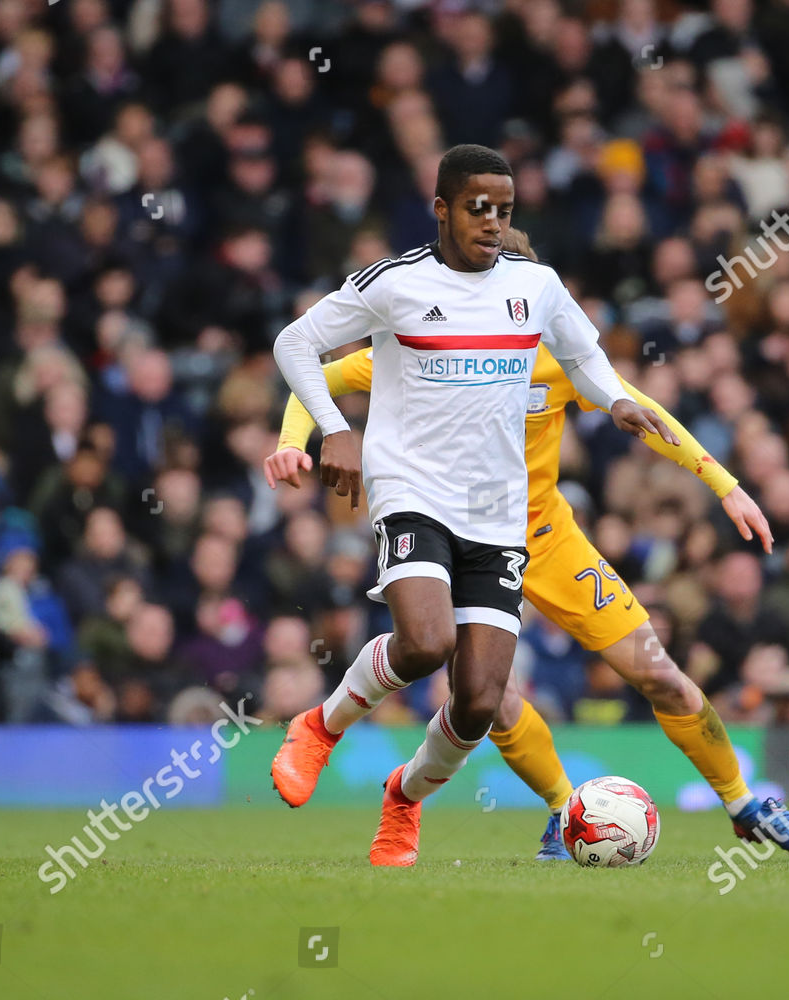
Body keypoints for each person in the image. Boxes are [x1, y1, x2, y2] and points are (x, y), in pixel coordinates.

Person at [265, 227, 789, 858]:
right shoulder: (435, 345)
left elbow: (643, 410)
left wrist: (726, 486)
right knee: (487, 695)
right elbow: (318, 377)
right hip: (450, 528)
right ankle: (562, 809)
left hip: (549, 541)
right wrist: (290, 444)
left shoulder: (556, 356)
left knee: (656, 670)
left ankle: (743, 804)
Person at [269, 144, 669, 867]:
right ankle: (320, 729)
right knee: (426, 643)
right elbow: (295, 343)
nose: (491, 222)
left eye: (504, 210)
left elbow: (583, 354)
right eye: (478, 207)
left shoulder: (536, 286)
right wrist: (335, 429)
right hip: (411, 491)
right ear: (443, 208)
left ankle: (404, 799)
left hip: (496, 510)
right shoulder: (394, 284)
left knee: (480, 700)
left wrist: (614, 401)